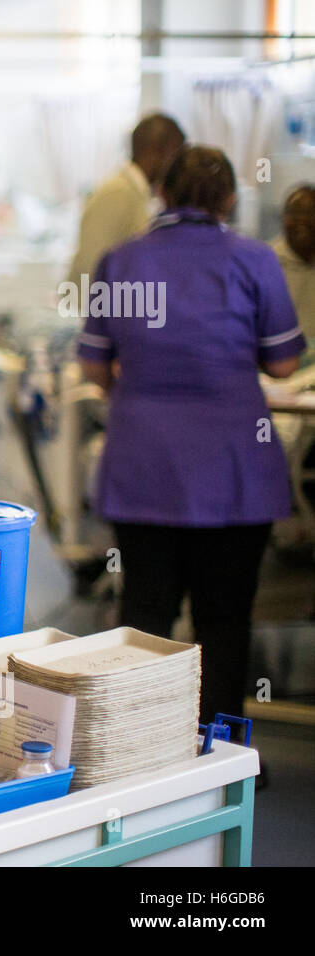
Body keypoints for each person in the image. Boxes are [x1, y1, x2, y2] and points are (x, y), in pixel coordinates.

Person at [77, 145, 305, 726]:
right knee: (224, 618)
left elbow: (94, 368)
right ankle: (221, 750)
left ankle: (141, 752)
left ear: (163, 195)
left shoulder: (119, 262)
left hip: (143, 465)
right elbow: (283, 365)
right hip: (234, 466)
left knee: (146, 616)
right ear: (229, 200)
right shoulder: (255, 261)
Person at [67, 113, 185, 289]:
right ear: (154, 151)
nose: (178, 168)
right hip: (94, 311)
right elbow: (90, 267)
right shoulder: (117, 193)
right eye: (175, 156)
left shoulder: (137, 193)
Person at [270, 183, 315, 362]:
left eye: (310, 213)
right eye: (294, 213)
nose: (301, 221)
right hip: (278, 368)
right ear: (283, 218)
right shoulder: (266, 263)